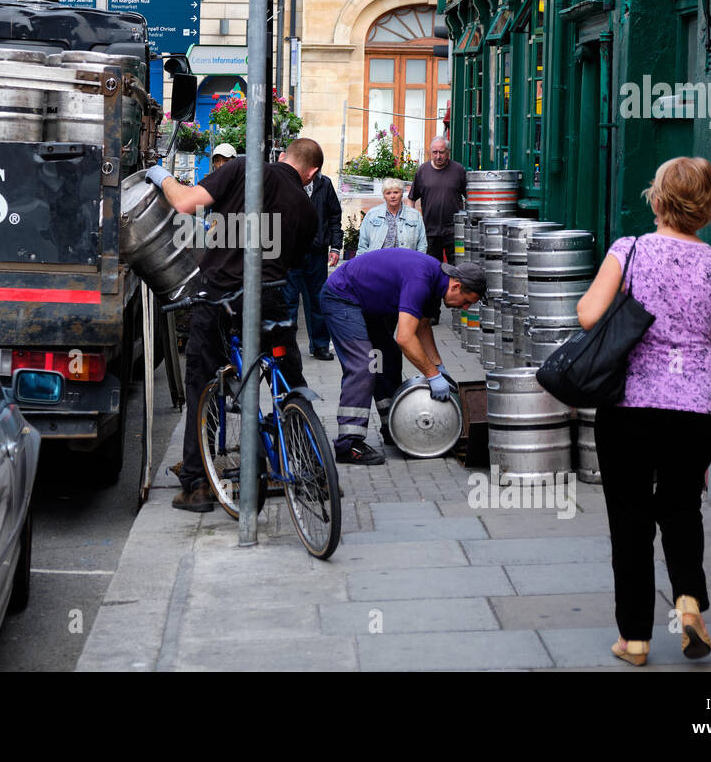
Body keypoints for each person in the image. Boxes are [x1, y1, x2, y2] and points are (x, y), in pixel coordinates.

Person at [575, 156, 711, 667]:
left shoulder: (628, 252)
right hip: (694, 409)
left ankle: (634, 639)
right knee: (681, 508)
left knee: (629, 520)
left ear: (656, 199)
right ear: (705, 207)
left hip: (629, 405)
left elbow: (587, 314)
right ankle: (690, 603)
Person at [146, 139, 322, 511]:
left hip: (220, 297)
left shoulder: (242, 168)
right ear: (312, 174)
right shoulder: (307, 209)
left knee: (203, 380)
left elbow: (183, 203)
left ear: (282, 156)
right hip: (271, 301)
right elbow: (291, 262)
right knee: (290, 379)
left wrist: (161, 176)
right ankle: (313, 471)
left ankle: (197, 484)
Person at [320, 249, 485, 465]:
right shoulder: (421, 280)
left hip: (367, 306)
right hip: (341, 297)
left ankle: (392, 425)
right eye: (466, 301)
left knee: (386, 358)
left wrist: (439, 368)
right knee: (365, 365)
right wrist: (432, 375)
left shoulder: (436, 284)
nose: (465, 308)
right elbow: (405, 338)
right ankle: (348, 444)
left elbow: (423, 327)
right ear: (456, 286)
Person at [284, 164, 342, 361]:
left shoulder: (324, 184)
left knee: (317, 300)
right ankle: (288, 348)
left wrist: (335, 247)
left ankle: (319, 345)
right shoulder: (288, 183)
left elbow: (335, 215)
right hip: (291, 253)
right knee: (289, 301)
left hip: (316, 253)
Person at [408, 136, 467, 263]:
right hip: (430, 231)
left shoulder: (458, 170)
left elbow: (470, 197)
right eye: (435, 152)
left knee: (457, 266)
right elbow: (411, 198)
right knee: (433, 267)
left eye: (442, 152)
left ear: (448, 152)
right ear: (430, 152)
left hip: (455, 231)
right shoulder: (422, 171)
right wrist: (412, 221)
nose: (438, 156)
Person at [357, 178, 428, 255]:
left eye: (396, 192)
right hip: (377, 262)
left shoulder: (414, 215)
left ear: (402, 194)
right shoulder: (372, 214)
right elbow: (363, 245)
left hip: (405, 262)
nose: (392, 196)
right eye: (388, 193)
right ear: (384, 196)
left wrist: (418, 263)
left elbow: (422, 245)